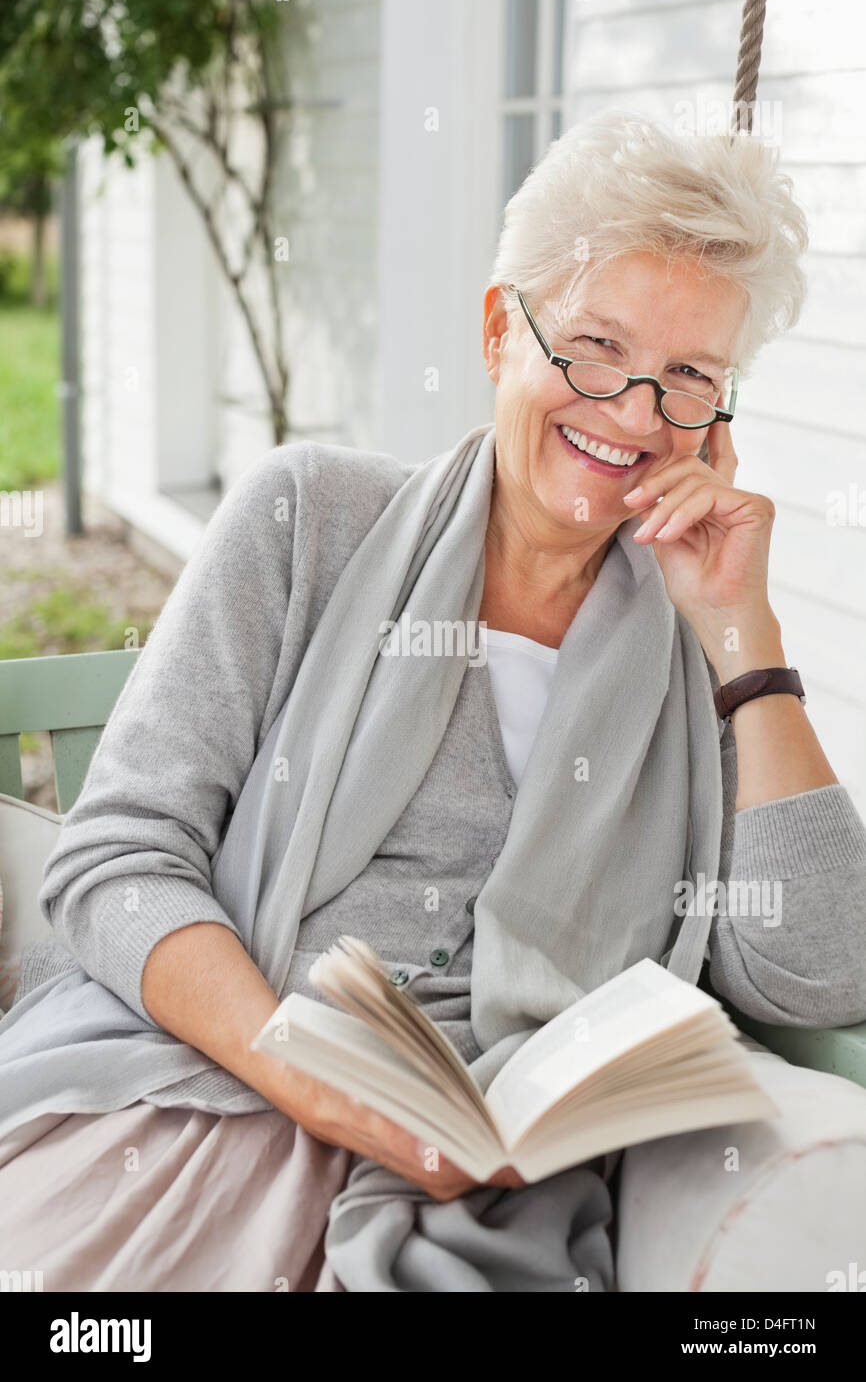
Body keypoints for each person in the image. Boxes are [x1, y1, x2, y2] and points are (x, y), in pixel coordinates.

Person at [1, 109, 864, 1293]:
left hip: (485, 1188)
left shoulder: (692, 641)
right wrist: (313, 1080)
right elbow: (115, 860)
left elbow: (816, 974)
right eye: (597, 347)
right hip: (217, 1095)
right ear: (500, 327)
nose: (629, 414)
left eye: (686, 378)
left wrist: (742, 639)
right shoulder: (306, 516)